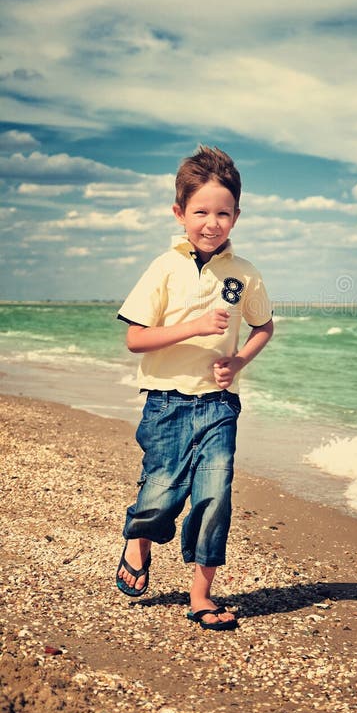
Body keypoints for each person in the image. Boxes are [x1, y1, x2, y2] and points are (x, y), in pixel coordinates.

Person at [115, 146, 274, 631]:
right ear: (179, 213)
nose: (212, 222)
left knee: (214, 495)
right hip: (165, 402)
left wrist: (238, 359)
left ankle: (201, 595)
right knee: (161, 494)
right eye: (200, 211)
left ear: (237, 216)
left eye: (222, 213)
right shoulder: (164, 267)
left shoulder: (244, 272)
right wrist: (196, 327)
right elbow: (135, 338)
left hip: (220, 405)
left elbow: (263, 327)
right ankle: (139, 538)